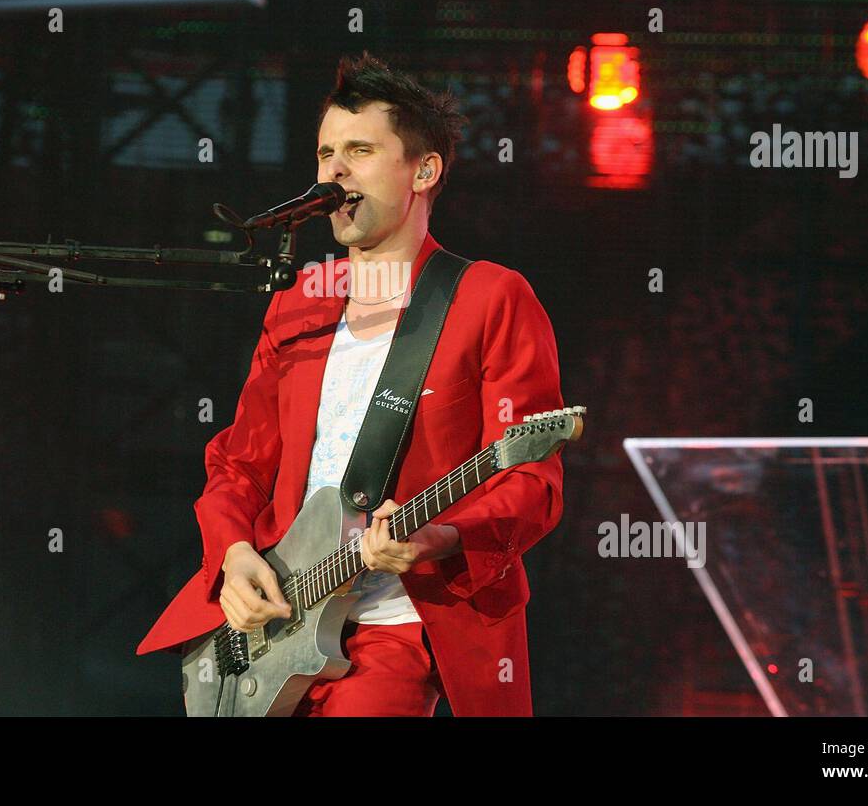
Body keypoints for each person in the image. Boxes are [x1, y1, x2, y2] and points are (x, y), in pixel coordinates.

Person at [136, 50, 565, 716]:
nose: (332, 171)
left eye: (359, 150)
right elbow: (238, 463)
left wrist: (437, 536)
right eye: (324, 152)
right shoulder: (299, 303)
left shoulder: (489, 297)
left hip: (396, 626)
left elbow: (532, 484)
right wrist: (234, 553)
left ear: (423, 170)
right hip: (277, 626)